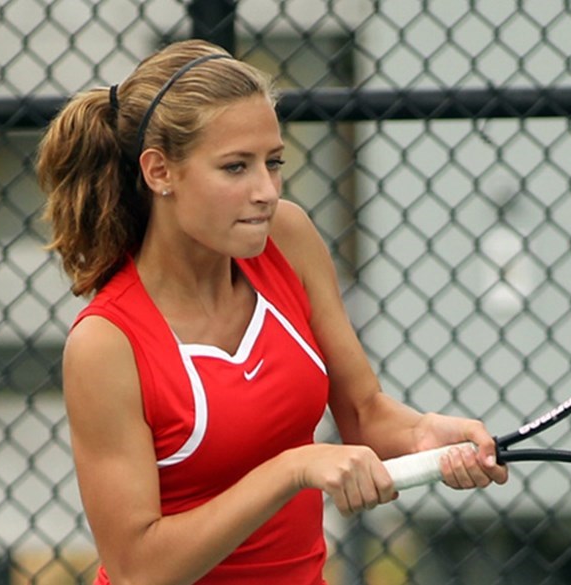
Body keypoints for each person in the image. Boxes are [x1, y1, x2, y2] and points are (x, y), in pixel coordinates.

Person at [36, 39, 507, 585]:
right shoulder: (106, 343)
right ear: (160, 172)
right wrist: (292, 468)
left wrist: (423, 433)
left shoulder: (288, 236)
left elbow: (363, 410)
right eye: (236, 167)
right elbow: (139, 569)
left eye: (274, 162)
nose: (266, 190)